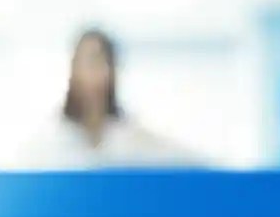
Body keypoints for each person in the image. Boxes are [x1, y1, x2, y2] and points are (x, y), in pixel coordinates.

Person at [24, 28, 202, 170]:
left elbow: (186, 161)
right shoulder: (49, 142)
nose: (96, 73)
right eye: (89, 62)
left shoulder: (133, 138)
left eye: (103, 62)